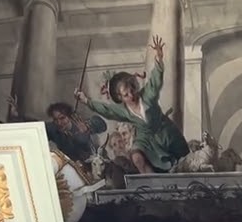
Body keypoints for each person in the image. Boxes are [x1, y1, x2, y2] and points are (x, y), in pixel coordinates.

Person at [75, 35, 190, 174]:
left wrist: (159, 59)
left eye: (132, 90)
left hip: (165, 132)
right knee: (136, 158)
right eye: (126, 95)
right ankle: (152, 185)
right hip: (145, 138)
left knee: (184, 162)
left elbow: (155, 81)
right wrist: (86, 100)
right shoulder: (123, 110)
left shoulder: (147, 96)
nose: (131, 95)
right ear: (120, 98)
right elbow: (106, 109)